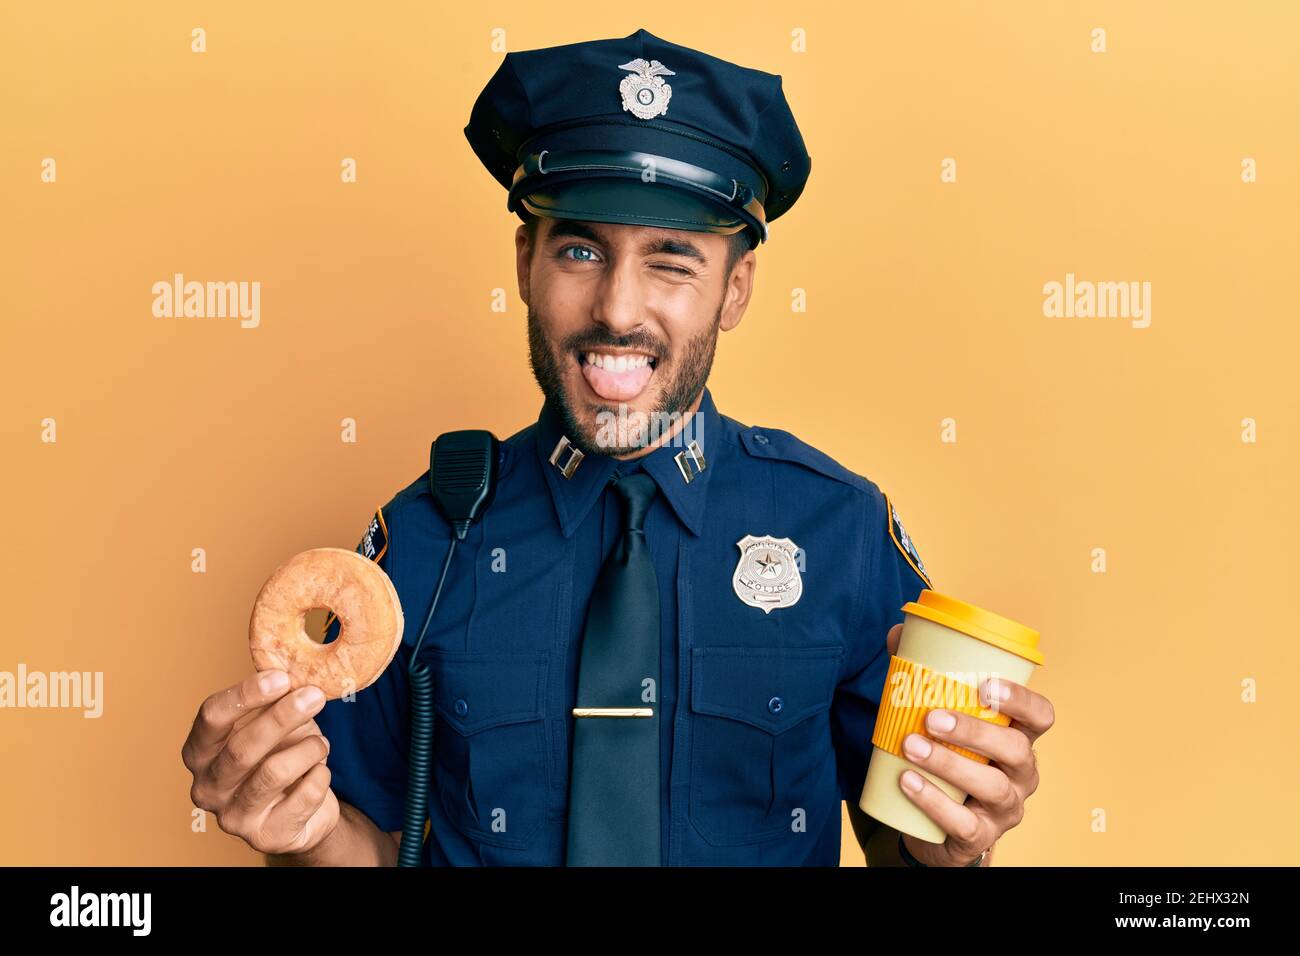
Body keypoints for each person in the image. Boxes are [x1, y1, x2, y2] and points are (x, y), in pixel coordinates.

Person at [182, 27, 1055, 867]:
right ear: (526, 261)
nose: (618, 310)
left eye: (672, 260)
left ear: (735, 289)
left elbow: (901, 843)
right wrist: (295, 832)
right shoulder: (420, 540)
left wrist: (952, 845)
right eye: (580, 249)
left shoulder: (842, 529)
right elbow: (362, 845)